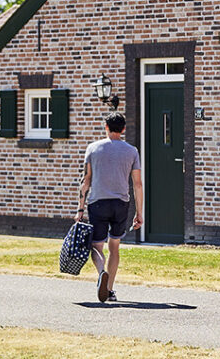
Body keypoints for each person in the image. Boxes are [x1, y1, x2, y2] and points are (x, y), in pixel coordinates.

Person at [76, 112, 143, 303]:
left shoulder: (93, 148)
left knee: (96, 246)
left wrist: (80, 209)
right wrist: (139, 213)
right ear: (123, 129)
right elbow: (137, 184)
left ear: (106, 127)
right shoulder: (132, 151)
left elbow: (86, 181)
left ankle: (101, 273)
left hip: (98, 203)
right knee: (114, 246)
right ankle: (110, 289)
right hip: (121, 204)